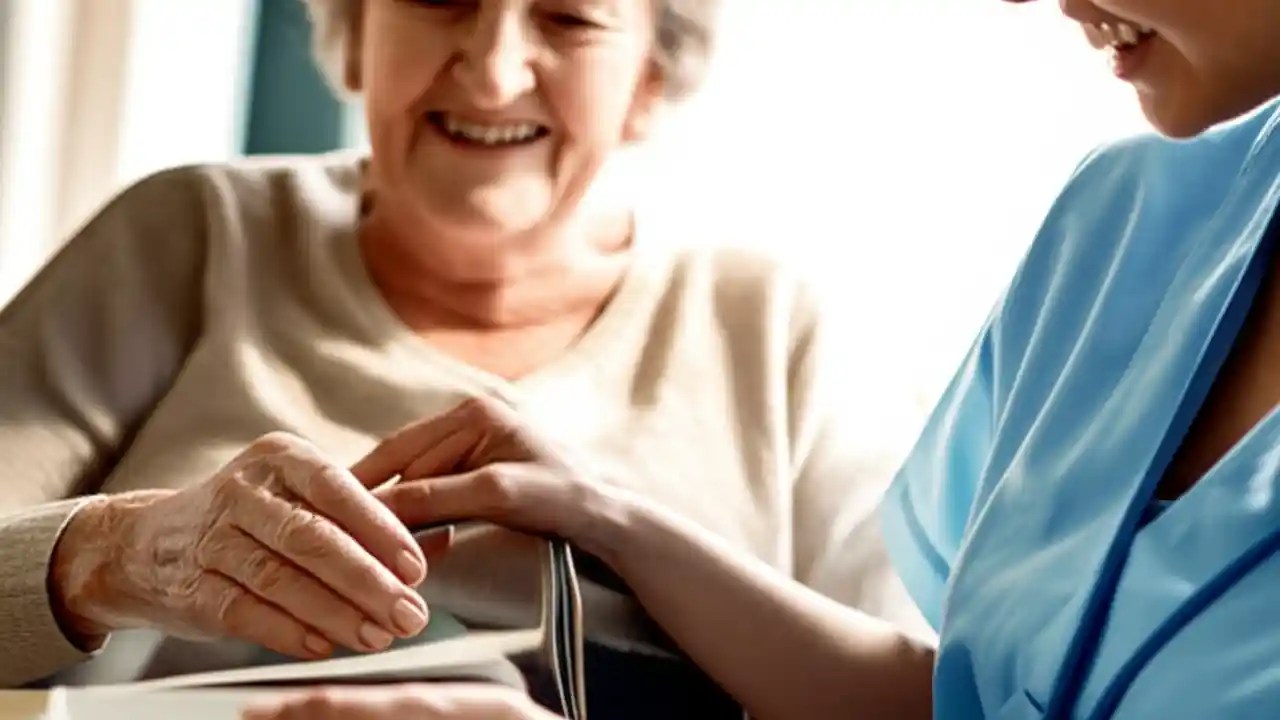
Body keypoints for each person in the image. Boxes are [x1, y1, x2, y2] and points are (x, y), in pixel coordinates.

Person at [240, 0, 1280, 718]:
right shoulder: (1118, 228)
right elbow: (952, 702)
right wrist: (607, 520)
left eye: (568, 19)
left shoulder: (776, 319)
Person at [0, 0, 919, 690]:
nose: (491, 73)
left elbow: (913, 697)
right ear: (354, 33)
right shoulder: (192, 236)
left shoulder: (772, 327)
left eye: (568, 17)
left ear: (650, 79)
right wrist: (114, 553)